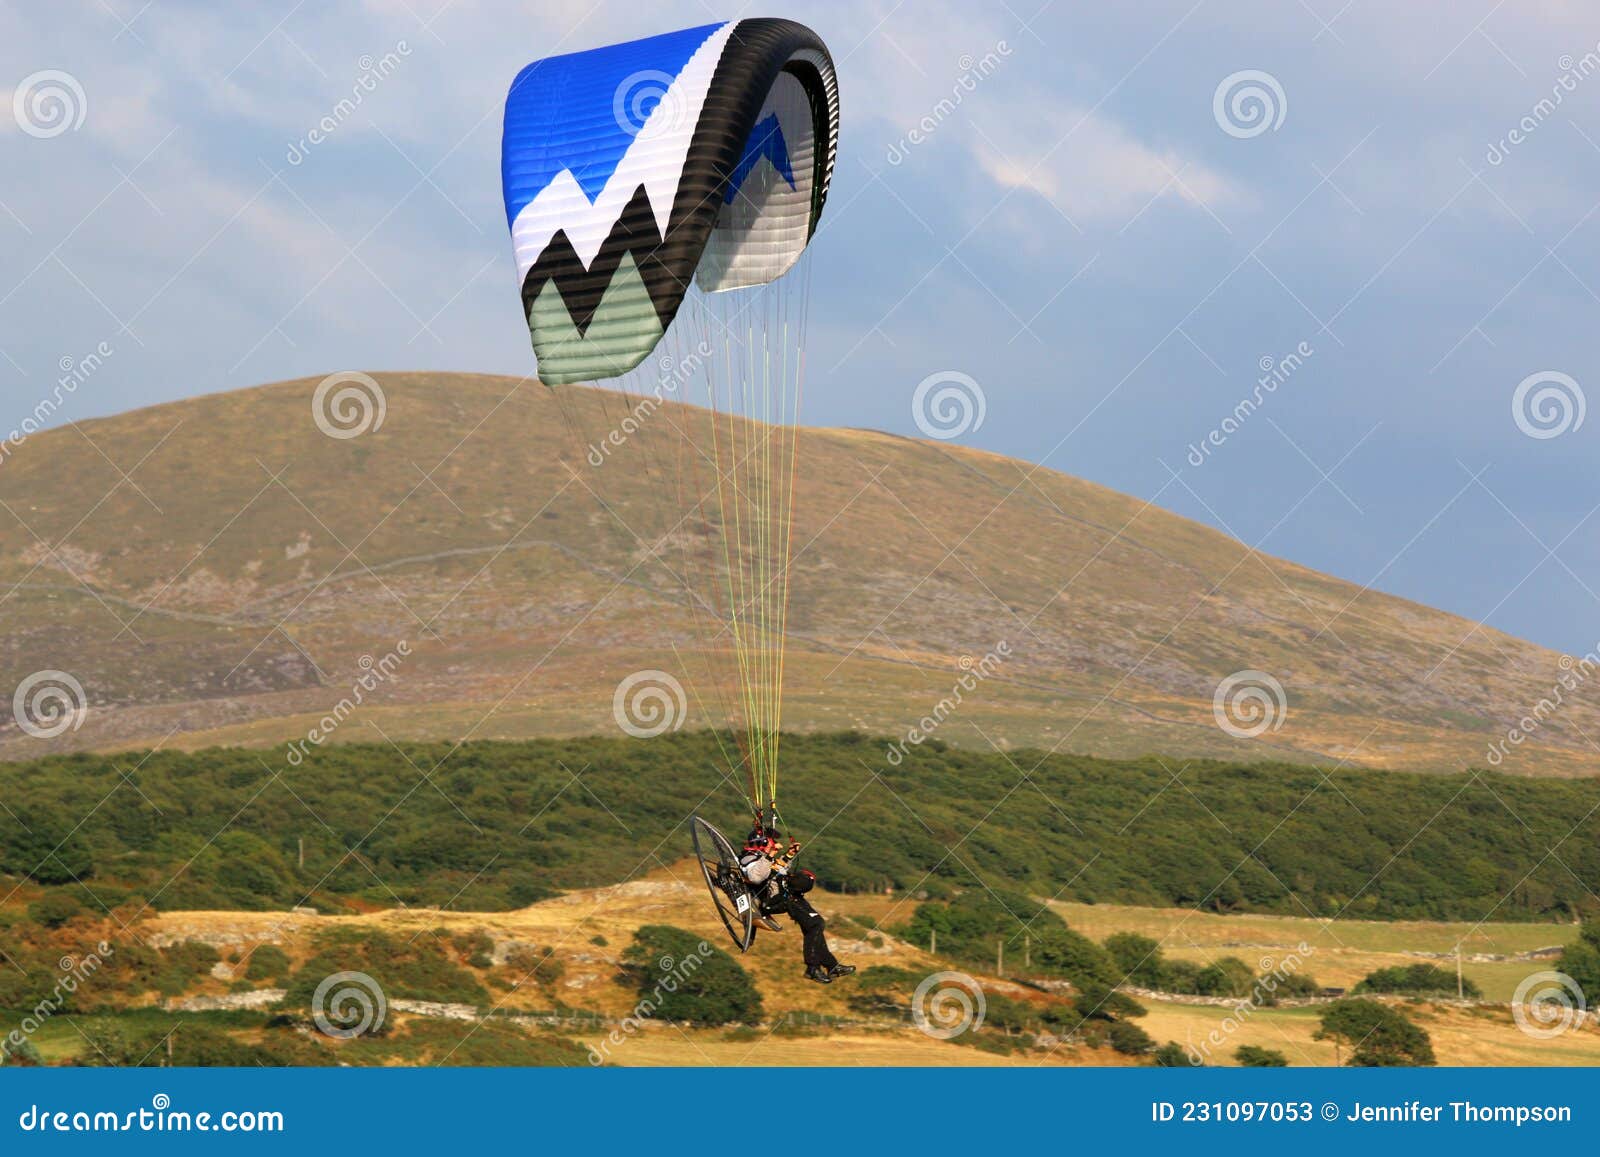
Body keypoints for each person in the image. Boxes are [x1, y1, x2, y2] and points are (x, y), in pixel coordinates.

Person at [739, 826, 854, 984]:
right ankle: (812, 968)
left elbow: (778, 870)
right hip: (771, 901)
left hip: (786, 895)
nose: (775, 844)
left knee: (816, 923)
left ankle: (831, 966)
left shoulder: (762, 858)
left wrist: (789, 855)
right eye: (772, 842)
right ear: (763, 842)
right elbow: (756, 877)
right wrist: (770, 854)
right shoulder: (748, 858)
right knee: (814, 924)